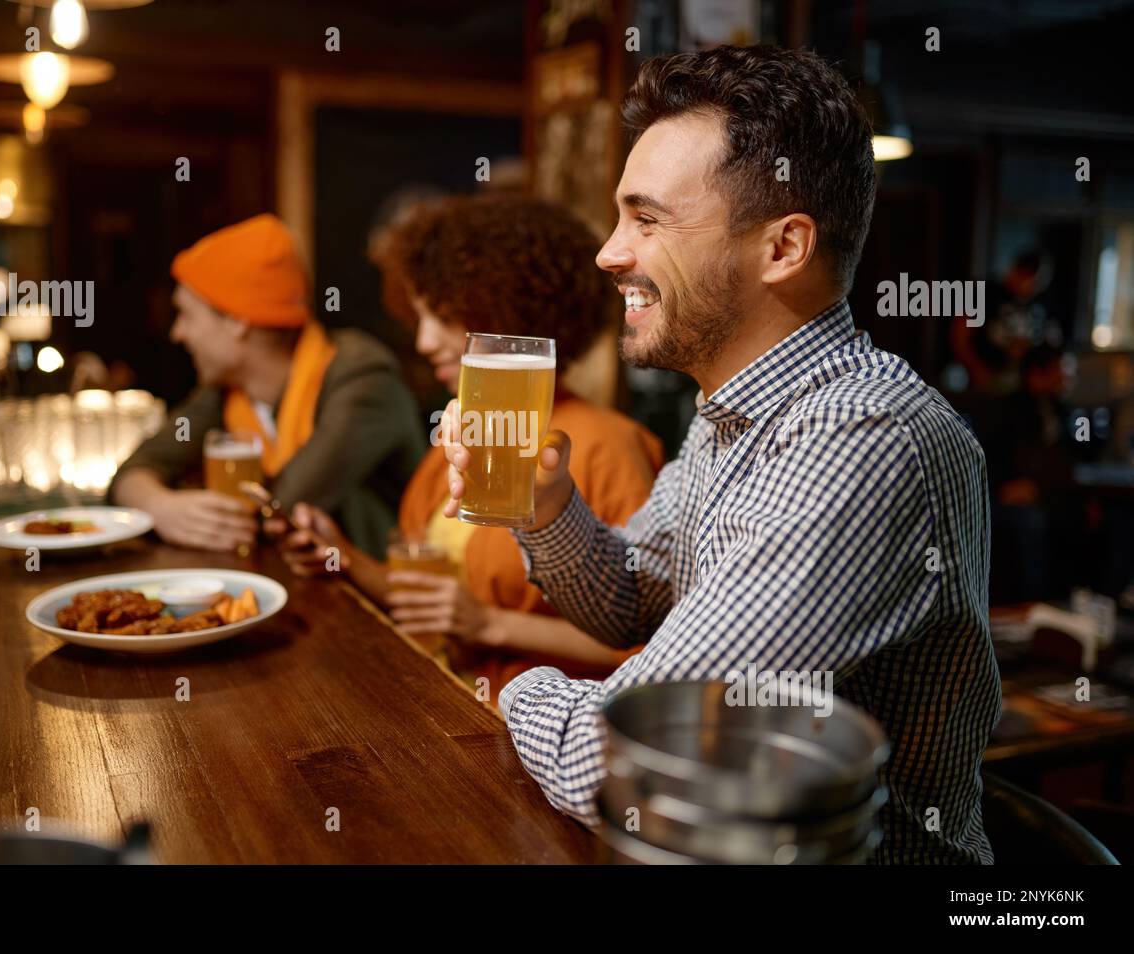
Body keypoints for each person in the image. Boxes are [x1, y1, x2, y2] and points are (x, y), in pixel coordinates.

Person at [442, 47, 1000, 864]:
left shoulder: (859, 439)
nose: (608, 252)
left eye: (648, 219)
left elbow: (625, 764)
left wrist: (510, 685)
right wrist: (545, 506)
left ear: (783, 248)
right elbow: (636, 596)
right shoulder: (733, 409)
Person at [275, 194, 664, 695]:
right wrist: (342, 556)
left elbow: (649, 644)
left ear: (510, 308)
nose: (423, 342)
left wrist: (489, 625)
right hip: (439, 700)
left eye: (442, 316)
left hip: (525, 729)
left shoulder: (604, 445)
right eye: (417, 320)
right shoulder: (462, 437)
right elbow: (423, 597)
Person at [110, 214, 423, 556]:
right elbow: (132, 472)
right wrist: (160, 506)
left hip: (383, 598)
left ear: (237, 322)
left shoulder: (363, 378)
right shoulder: (228, 387)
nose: (178, 333)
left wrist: (185, 510)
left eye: (186, 314)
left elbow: (278, 512)